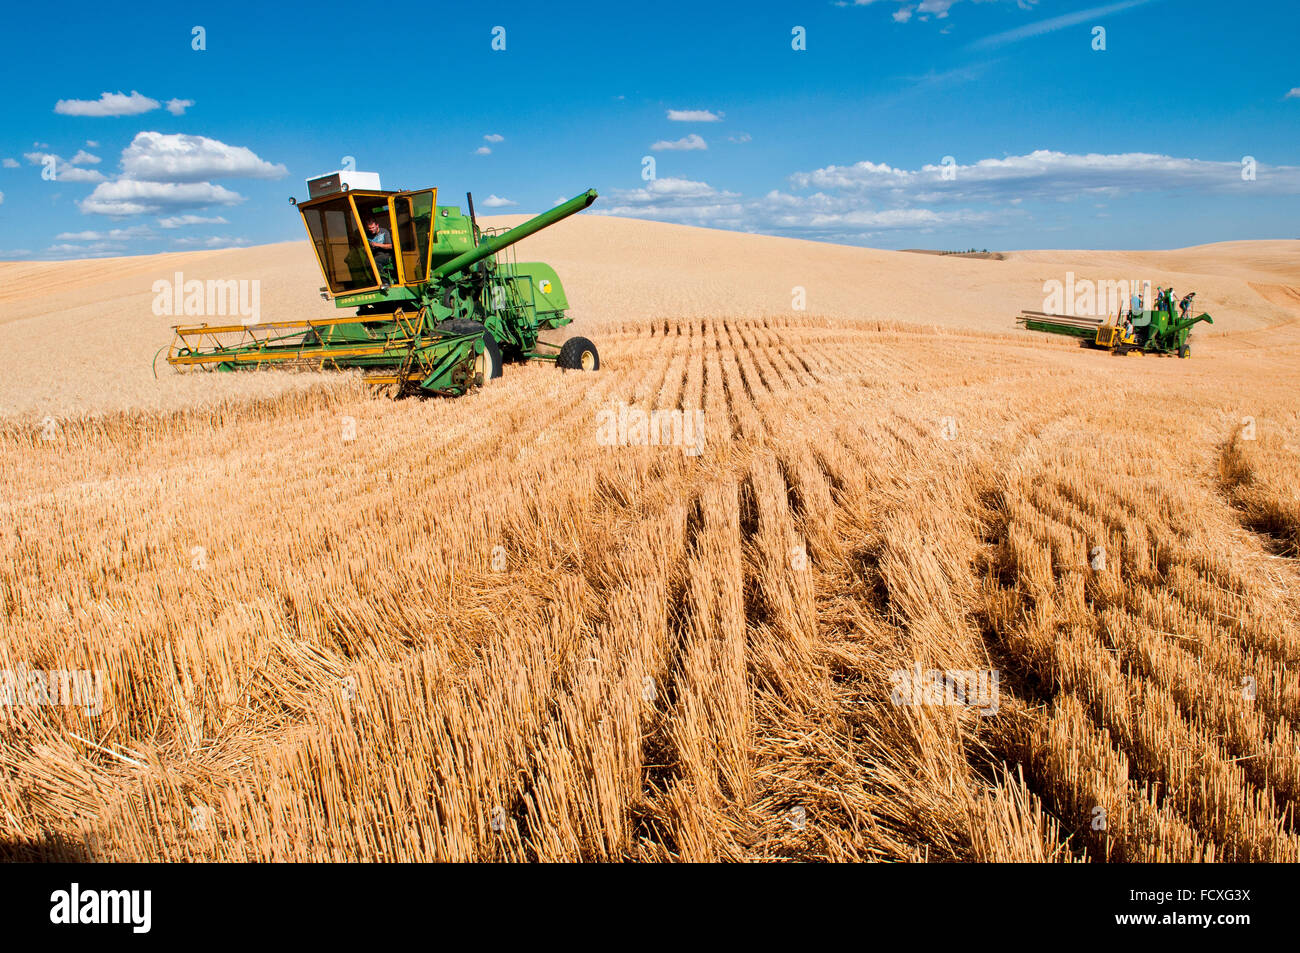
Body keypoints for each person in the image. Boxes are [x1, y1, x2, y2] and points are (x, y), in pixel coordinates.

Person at [364, 216, 396, 283]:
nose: (371, 230)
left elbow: (390, 246)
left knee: (375, 261)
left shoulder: (384, 232)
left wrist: (377, 244)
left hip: (387, 255)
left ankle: (384, 281)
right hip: (375, 255)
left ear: (377, 225)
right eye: (369, 228)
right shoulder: (367, 234)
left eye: (373, 227)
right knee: (367, 262)